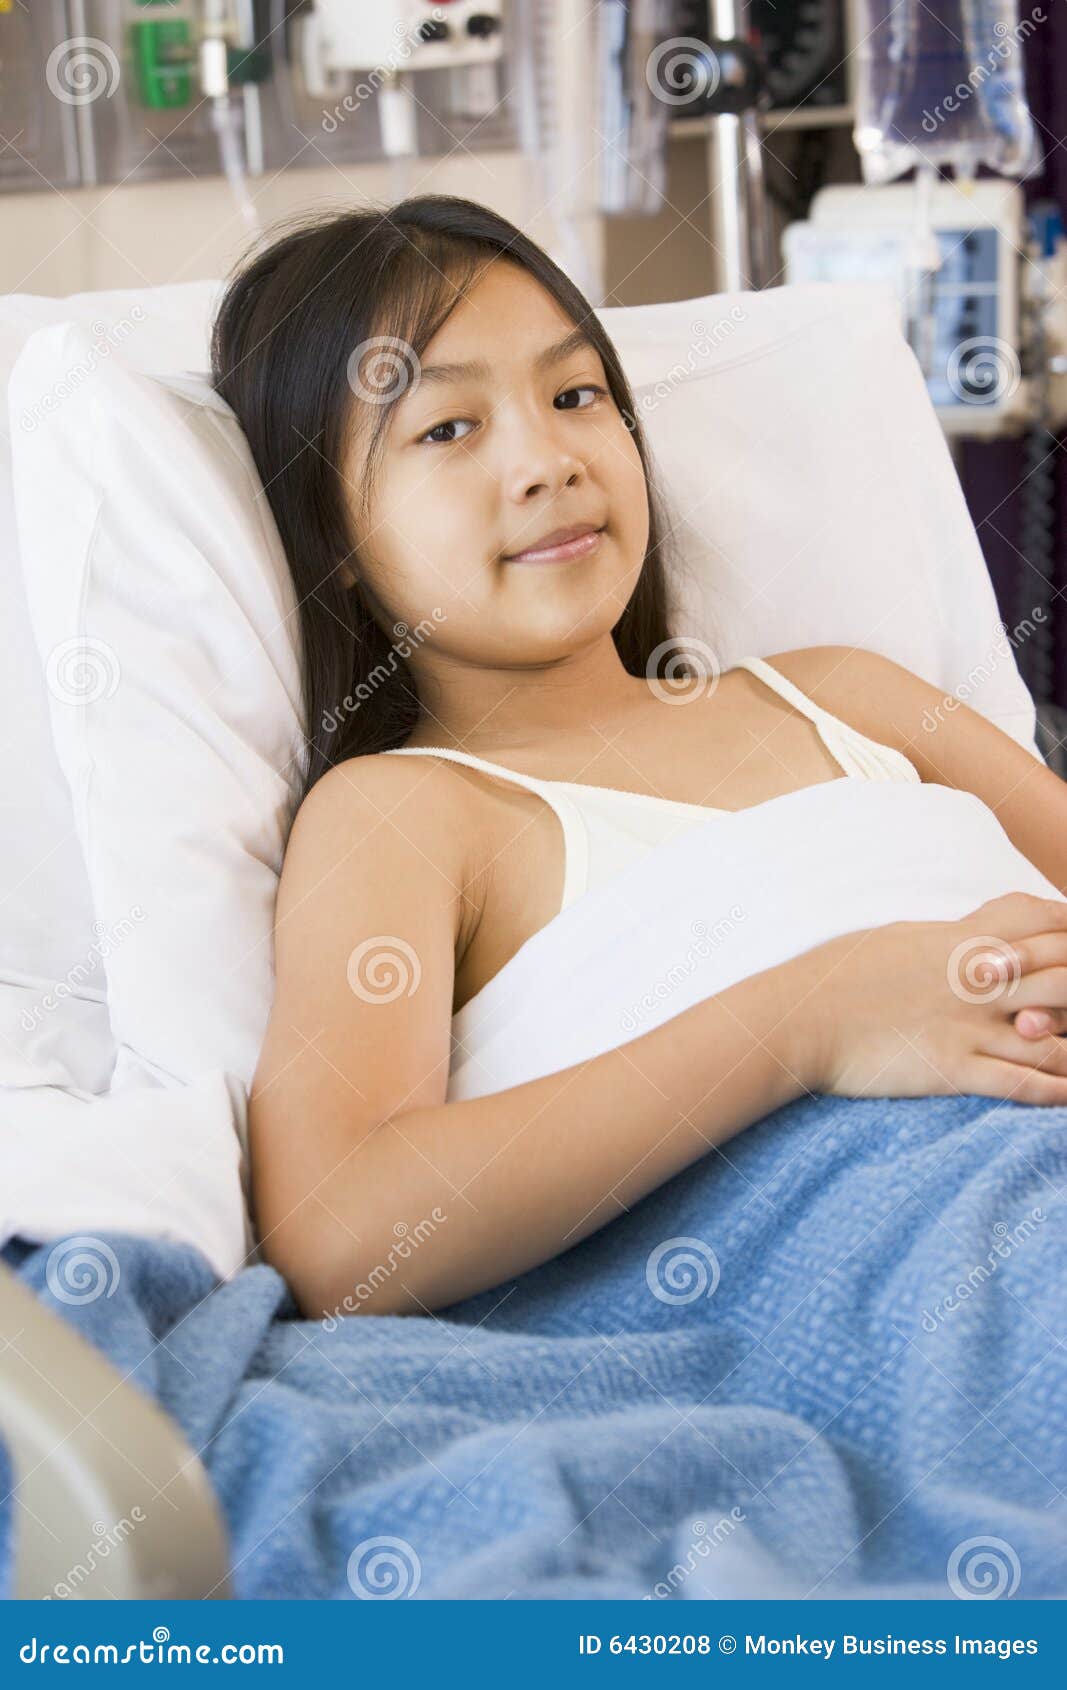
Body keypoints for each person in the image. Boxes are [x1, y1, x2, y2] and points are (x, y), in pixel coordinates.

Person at [210, 195, 1067, 1321]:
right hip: (896, 1273)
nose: (546, 459)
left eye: (575, 397)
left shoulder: (845, 696)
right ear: (339, 551)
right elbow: (339, 1230)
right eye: (446, 429)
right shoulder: (408, 815)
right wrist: (809, 1018)